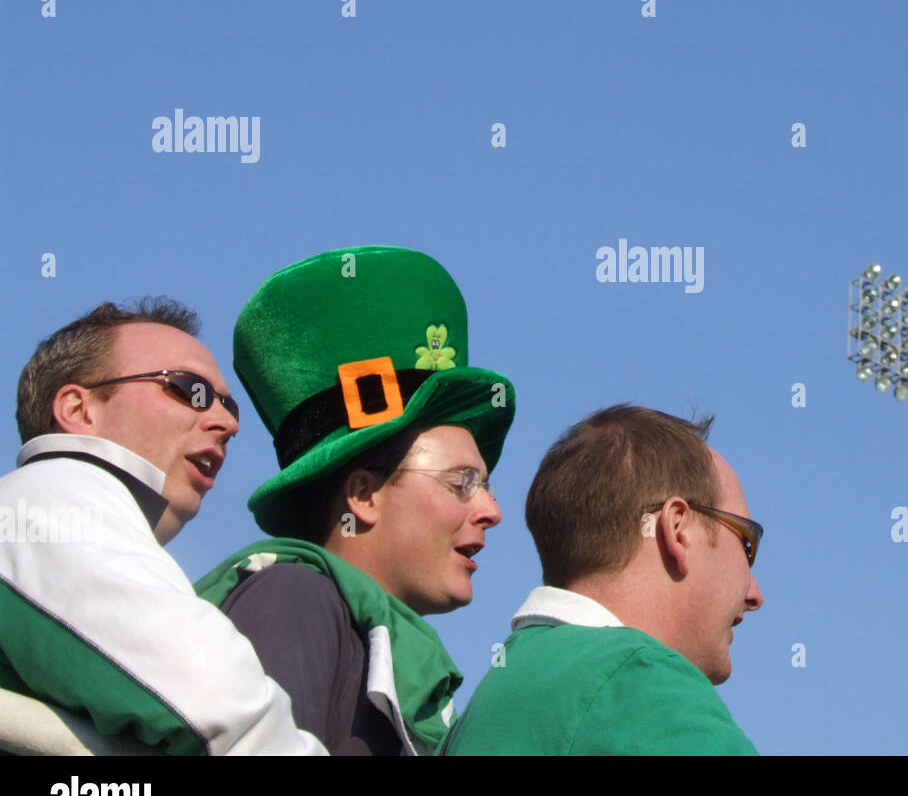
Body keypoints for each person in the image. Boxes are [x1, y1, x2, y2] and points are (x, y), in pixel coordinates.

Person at [194, 246, 515, 755]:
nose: (491, 511)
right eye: (462, 482)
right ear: (363, 496)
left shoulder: (371, 638)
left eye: (487, 484)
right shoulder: (295, 600)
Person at [0, 299, 326, 755]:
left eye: (229, 405)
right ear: (78, 409)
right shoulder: (47, 494)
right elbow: (218, 707)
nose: (227, 422)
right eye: (190, 390)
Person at [445, 404, 764, 755]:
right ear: (678, 529)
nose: (755, 594)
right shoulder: (644, 687)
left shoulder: (492, 698)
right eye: (746, 542)